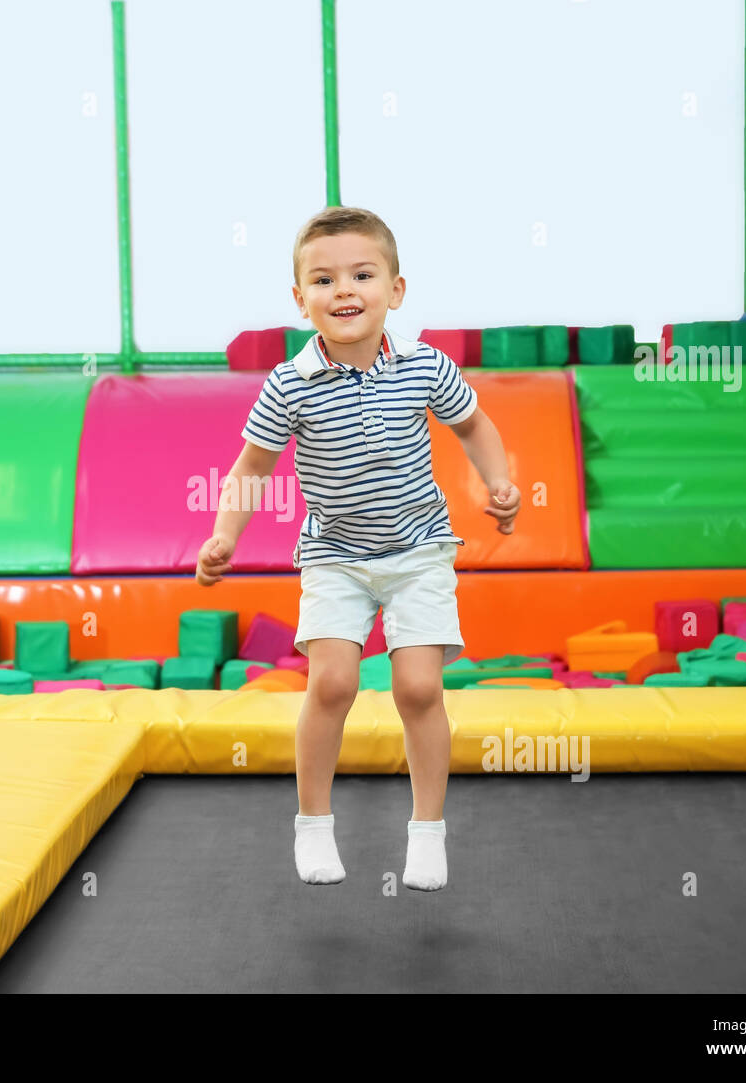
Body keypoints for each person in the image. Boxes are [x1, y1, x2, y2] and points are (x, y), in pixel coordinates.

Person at [196, 206, 520, 890]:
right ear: (300, 299)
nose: (343, 290)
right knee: (335, 681)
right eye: (323, 279)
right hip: (335, 555)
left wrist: (500, 482)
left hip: (419, 550)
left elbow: (476, 425)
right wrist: (225, 534)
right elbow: (251, 468)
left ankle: (427, 830)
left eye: (361, 275)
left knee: (419, 687)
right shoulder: (289, 384)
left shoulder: (424, 366)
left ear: (395, 290)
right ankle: (313, 822)